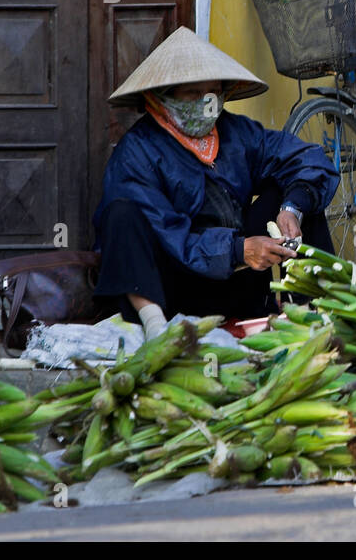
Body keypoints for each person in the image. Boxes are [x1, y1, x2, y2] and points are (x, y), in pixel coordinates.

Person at [92, 27, 339, 337]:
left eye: (212, 93)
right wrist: (238, 251)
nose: (205, 103)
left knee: (297, 189)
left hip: (238, 280)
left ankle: (313, 312)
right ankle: (154, 327)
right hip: (176, 288)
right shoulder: (137, 153)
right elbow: (172, 238)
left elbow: (307, 160)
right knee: (122, 214)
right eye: (192, 94)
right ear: (161, 98)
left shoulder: (237, 132)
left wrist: (292, 208)